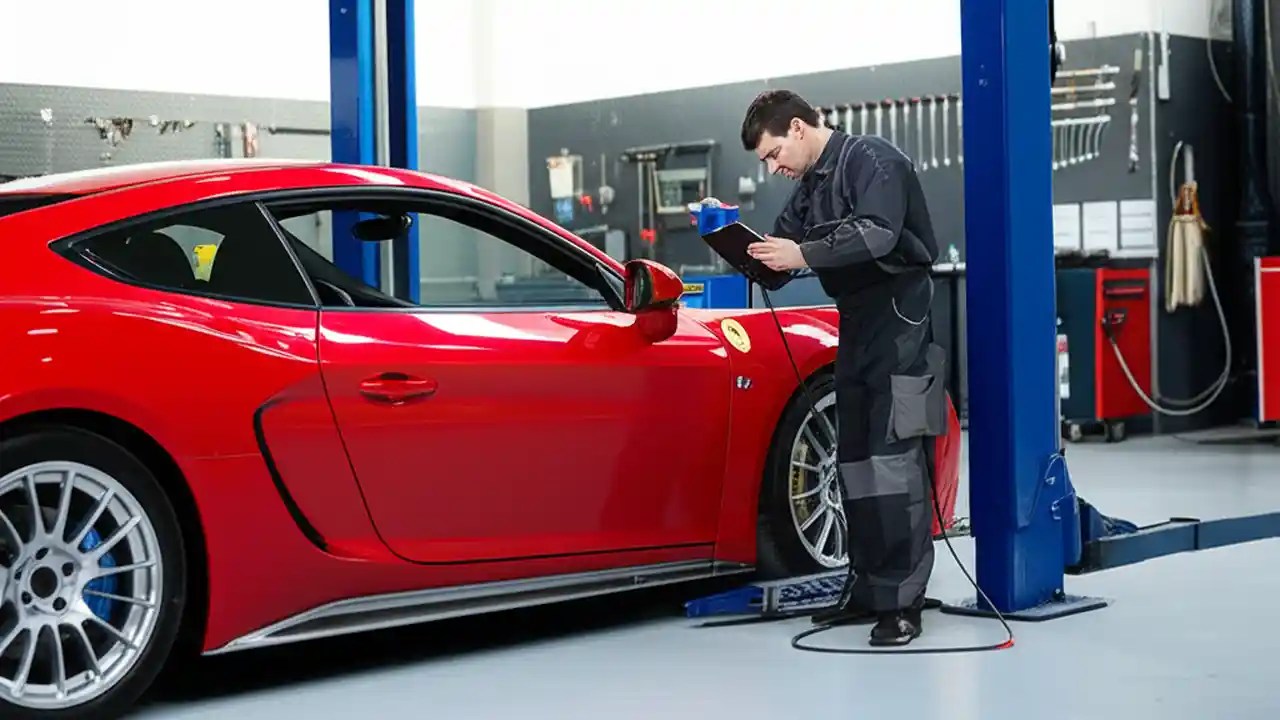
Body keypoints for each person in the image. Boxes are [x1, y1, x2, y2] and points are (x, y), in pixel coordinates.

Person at [740, 89, 946, 647]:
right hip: (856, 322)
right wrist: (742, 249)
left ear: (800, 130)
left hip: (905, 319)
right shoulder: (809, 187)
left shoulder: (875, 160)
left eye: (773, 152)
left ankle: (903, 603)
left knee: (895, 459)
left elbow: (877, 231)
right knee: (853, 455)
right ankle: (866, 590)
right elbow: (782, 247)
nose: (772, 167)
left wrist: (802, 255)